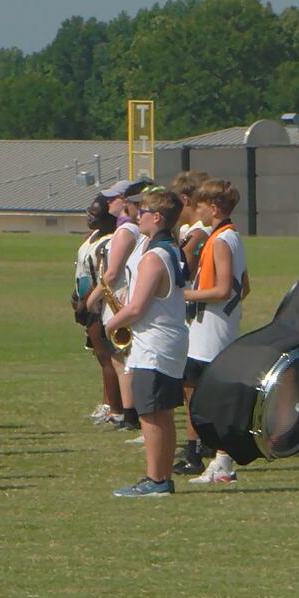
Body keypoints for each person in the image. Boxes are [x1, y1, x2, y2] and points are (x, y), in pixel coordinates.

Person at [105, 187, 189, 497]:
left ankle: (155, 480)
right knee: (161, 413)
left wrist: (111, 323)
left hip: (154, 343)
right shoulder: (168, 249)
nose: (137, 217)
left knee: (151, 414)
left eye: (142, 213)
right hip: (168, 341)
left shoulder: (154, 256)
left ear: (156, 217)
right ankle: (161, 477)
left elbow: (138, 308)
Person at [181, 179, 246, 483]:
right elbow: (243, 287)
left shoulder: (221, 240)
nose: (197, 211)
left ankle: (222, 460)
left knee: (209, 396)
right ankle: (215, 457)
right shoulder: (230, 236)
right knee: (199, 392)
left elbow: (222, 289)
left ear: (215, 207)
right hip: (214, 327)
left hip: (211, 332)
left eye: (202, 206)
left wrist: (186, 295)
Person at [95, 179, 149, 432]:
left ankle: (131, 414)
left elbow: (113, 272)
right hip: (120, 298)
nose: (110, 203)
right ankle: (131, 413)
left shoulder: (126, 231)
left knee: (122, 360)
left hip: (119, 300)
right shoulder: (127, 230)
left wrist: (92, 299)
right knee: (121, 360)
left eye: (117, 198)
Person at [75, 197, 125, 426]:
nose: (89, 217)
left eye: (95, 214)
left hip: (98, 302)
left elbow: (103, 275)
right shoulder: (92, 237)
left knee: (107, 357)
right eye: (89, 211)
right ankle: (108, 403)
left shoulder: (109, 241)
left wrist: (88, 302)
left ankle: (115, 408)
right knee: (100, 356)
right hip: (85, 298)